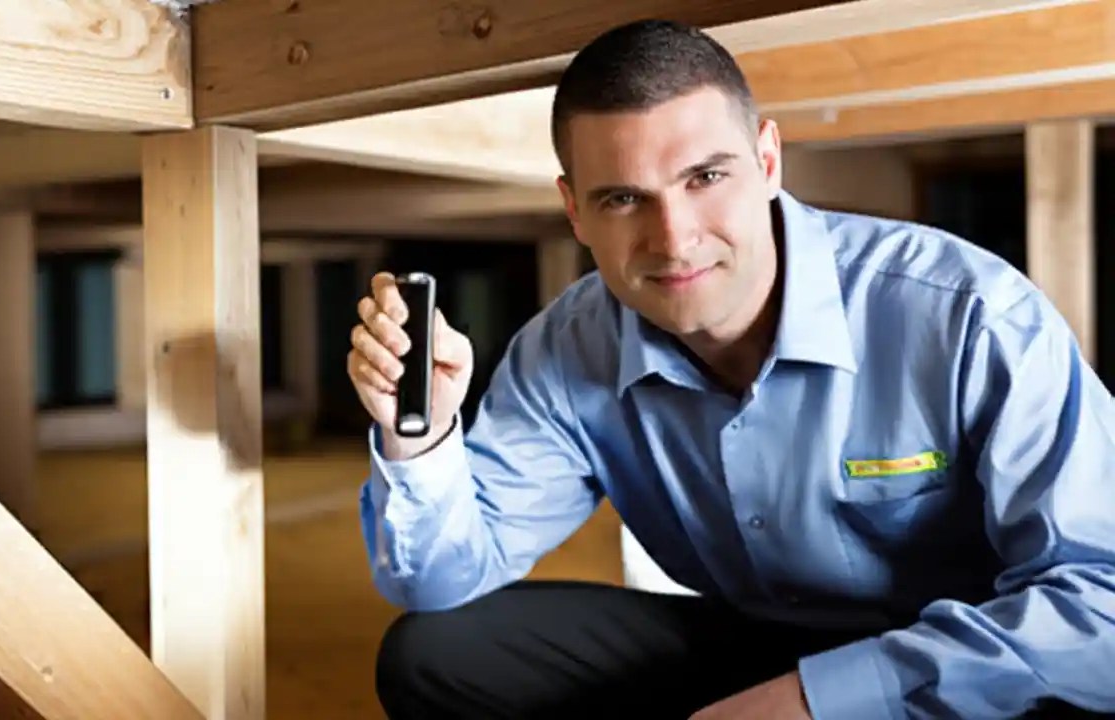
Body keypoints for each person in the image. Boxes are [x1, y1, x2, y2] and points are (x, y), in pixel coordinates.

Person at [347, 18, 1115, 720]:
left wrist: (813, 705)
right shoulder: (566, 350)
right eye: (623, 198)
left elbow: (1100, 602)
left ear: (767, 160)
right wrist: (423, 436)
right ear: (574, 211)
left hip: (958, 661)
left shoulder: (968, 315)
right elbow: (438, 581)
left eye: (705, 178)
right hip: (756, 643)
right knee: (438, 654)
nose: (673, 239)